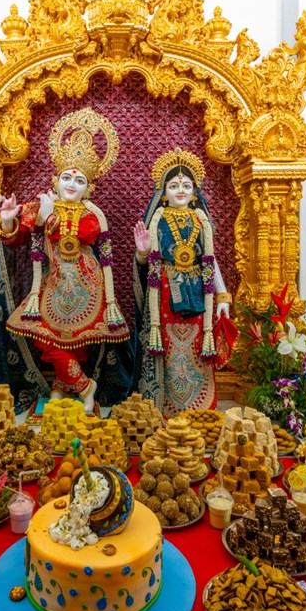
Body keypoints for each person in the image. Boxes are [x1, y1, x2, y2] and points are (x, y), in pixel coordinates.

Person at [0, 107, 131, 413]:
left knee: (76, 342)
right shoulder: (41, 205)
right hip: (50, 287)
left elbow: (82, 235)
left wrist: (49, 217)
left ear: (89, 188)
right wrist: (10, 220)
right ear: (55, 180)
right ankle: (83, 386)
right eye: (66, 177)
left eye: (79, 181)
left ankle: (65, 386)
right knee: (47, 340)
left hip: (85, 288)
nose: (72, 184)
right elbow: (16, 238)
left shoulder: (93, 214)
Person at [133, 147, 237, 416]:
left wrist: (223, 297)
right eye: (174, 185)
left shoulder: (202, 221)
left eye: (187, 185)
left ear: (194, 192)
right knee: (167, 347)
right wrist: (143, 250)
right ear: (163, 192)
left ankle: (199, 408)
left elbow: (210, 261)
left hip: (198, 293)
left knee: (194, 348)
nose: (180, 190)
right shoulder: (157, 220)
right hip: (166, 293)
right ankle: (166, 408)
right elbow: (145, 265)